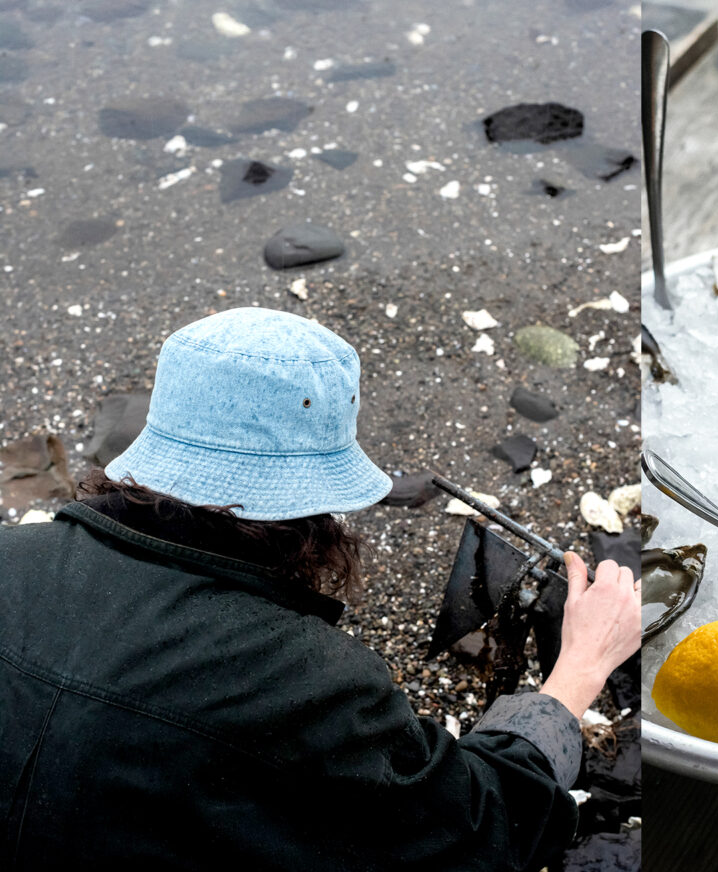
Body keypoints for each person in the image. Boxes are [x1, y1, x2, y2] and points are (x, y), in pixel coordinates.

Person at [0, 307, 641, 870]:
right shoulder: (307, 681)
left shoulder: (10, 555)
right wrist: (580, 668)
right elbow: (480, 834)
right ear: (313, 506)